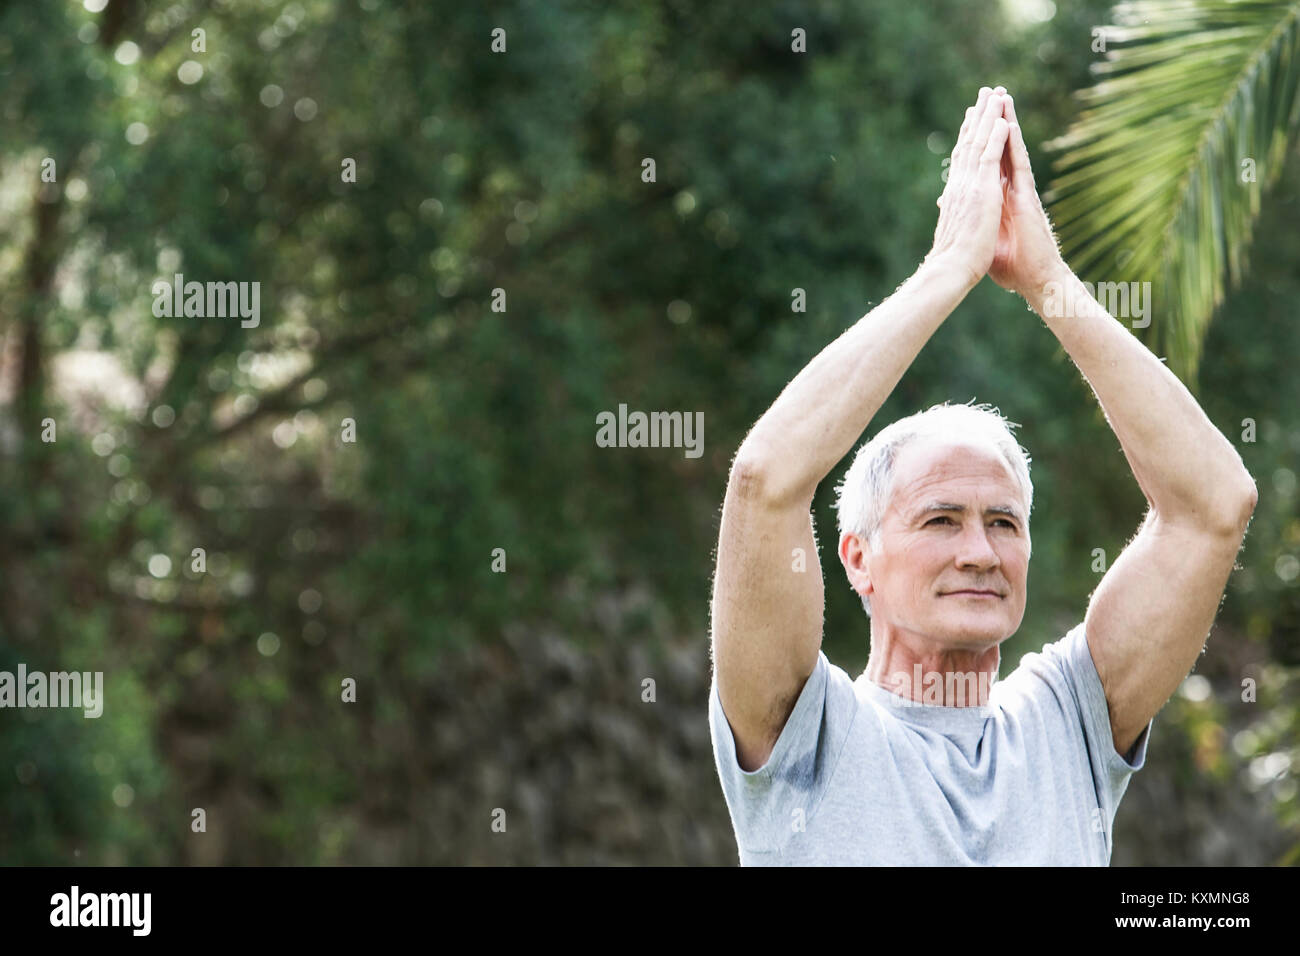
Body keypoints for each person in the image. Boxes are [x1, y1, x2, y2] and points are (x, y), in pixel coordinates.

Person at [707, 85, 1259, 865]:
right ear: (858, 558)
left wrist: (1049, 281)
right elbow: (765, 483)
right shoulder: (804, 733)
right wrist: (946, 273)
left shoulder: (1068, 723)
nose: (980, 551)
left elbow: (1215, 505)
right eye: (941, 519)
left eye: (1003, 522)